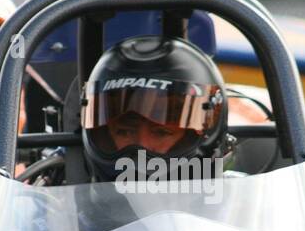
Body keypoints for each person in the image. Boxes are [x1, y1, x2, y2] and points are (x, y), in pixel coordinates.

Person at [80, 36, 232, 183]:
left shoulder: (243, 202)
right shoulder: (61, 203)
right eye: (124, 132)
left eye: (162, 132)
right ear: (104, 136)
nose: (141, 148)